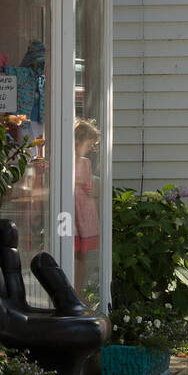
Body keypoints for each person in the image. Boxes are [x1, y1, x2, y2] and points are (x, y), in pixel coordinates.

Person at [73, 119, 100, 292]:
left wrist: (93, 191)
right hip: (71, 211)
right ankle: (67, 291)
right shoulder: (66, 160)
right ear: (77, 143)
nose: (90, 149)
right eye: (89, 145)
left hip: (84, 211)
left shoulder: (86, 163)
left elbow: (90, 184)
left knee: (82, 256)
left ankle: (78, 290)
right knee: (68, 252)